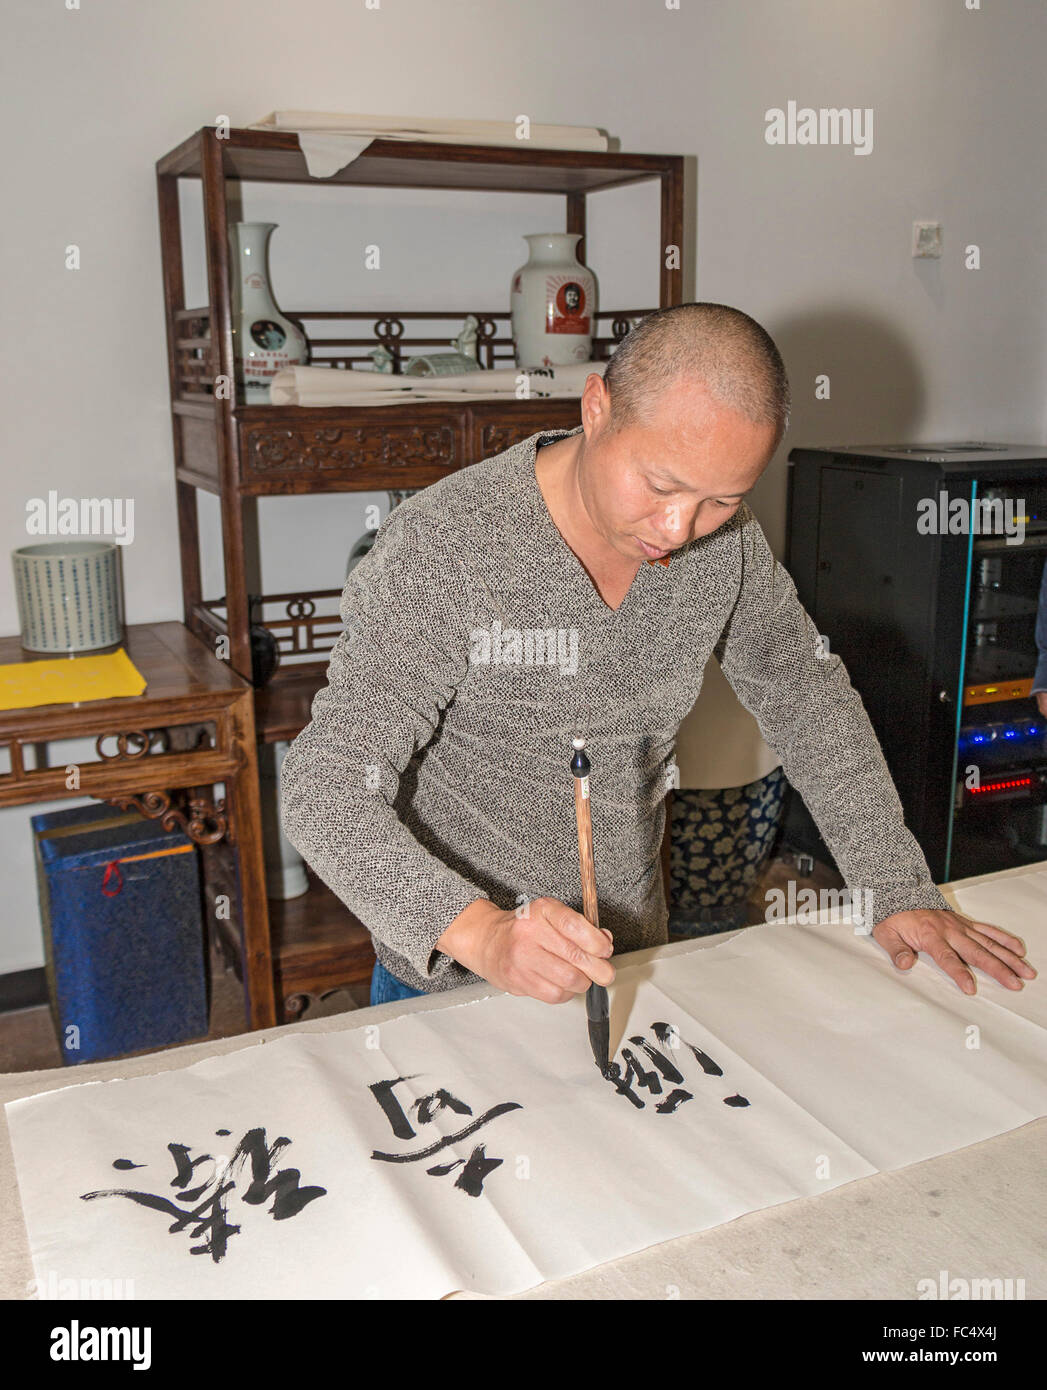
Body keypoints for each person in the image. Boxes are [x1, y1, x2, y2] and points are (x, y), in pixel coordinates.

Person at [280, 303, 1036, 1008]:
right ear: (596, 407)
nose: (678, 530)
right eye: (661, 485)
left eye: (721, 498)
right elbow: (325, 785)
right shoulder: (445, 547)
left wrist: (893, 883)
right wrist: (485, 934)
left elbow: (806, 696)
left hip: (633, 954)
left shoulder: (724, 547)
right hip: (454, 976)